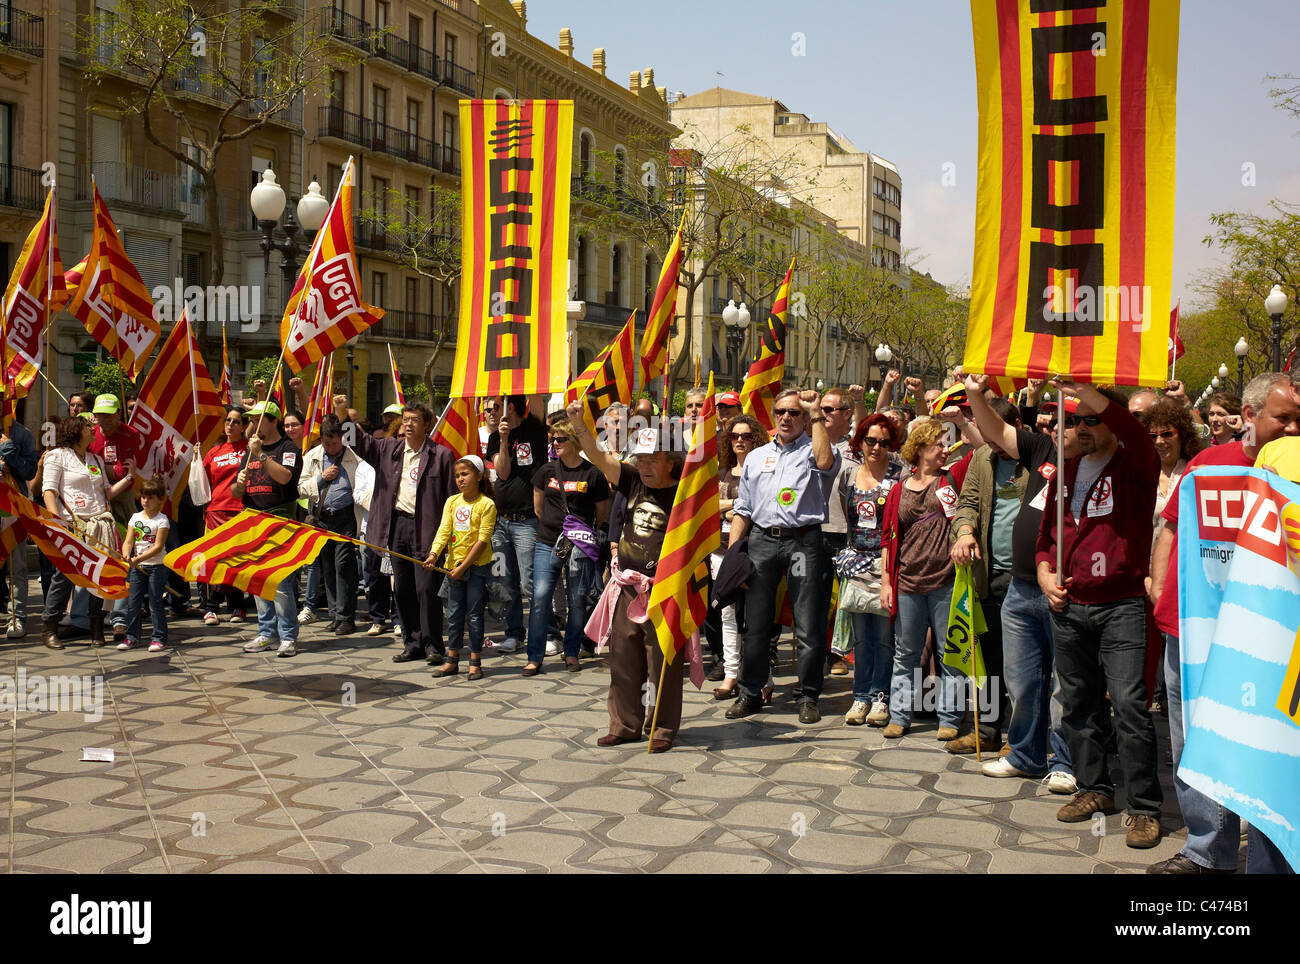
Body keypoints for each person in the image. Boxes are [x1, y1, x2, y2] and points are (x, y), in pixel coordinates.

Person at [1147, 372, 1300, 874]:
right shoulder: (1208, 466)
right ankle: (1207, 850)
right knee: (1194, 739)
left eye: (1299, 419)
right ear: (1251, 417)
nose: (1294, 428)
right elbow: (1171, 528)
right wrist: (1159, 588)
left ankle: (1268, 857)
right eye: (1284, 418)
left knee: (1268, 747)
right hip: (1194, 630)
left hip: (1268, 638)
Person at [1035, 381, 1163, 849]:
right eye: (1075, 420)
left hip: (1122, 604)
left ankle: (1145, 808)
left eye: (1090, 418)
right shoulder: (1064, 472)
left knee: (1129, 705)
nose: (1080, 428)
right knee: (1078, 701)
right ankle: (1095, 789)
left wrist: (1085, 388)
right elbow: (1047, 536)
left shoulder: (1135, 464)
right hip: (1069, 606)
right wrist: (1046, 573)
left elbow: (1133, 428)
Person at [961, 378, 1078, 792]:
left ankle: (1065, 761)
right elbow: (997, 432)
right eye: (1056, 419)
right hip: (1020, 589)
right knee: (1023, 681)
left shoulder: (1101, 463)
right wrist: (975, 393)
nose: (1059, 428)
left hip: (1065, 593)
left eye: (1073, 421)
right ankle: (1026, 753)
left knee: (1065, 685)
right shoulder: (1042, 450)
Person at [569, 407, 683, 752]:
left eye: (652, 460)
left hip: (665, 589)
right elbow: (599, 456)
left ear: (670, 463)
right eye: (641, 460)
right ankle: (624, 724)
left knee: (661, 661)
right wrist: (579, 425)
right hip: (626, 586)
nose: (645, 467)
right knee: (622, 659)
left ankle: (661, 726)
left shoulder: (684, 494)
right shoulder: (632, 480)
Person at [727, 388, 840, 725]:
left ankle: (807, 695)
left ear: (804, 418)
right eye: (781, 412)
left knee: (807, 623)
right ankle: (750, 692)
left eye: (794, 413)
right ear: (773, 416)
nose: (787, 418)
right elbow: (743, 509)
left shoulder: (814, 447)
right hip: (761, 539)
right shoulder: (757, 456)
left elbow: (824, 463)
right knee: (756, 623)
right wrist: (735, 553)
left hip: (803, 541)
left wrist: (816, 412)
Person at [335, 394, 453, 665]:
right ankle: (412, 643)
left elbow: (450, 498)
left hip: (427, 528)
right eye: (406, 420)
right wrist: (342, 415)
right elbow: (358, 442)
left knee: (427, 589)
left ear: (427, 425)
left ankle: (433, 644)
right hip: (396, 525)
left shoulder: (441, 455)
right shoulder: (389, 449)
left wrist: (449, 538)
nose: (409, 425)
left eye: (415, 420)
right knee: (402, 588)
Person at [878, 418, 965, 739]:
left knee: (949, 654)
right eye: (938, 444)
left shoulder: (950, 480)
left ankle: (950, 720)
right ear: (921, 449)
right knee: (906, 652)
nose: (944, 449)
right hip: (908, 584)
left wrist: (962, 417)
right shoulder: (899, 489)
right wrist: (887, 583)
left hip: (945, 582)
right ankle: (899, 716)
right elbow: (888, 538)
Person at [40, 416, 136, 649]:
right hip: (72, 525)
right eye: (87, 427)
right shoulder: (57, 456)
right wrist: (57, 522)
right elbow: (48, 491)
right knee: (63, 577)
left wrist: (129, 478)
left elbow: (107, 493)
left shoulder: (95, 459)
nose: (93, 430)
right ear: (75, 431)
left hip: (99, 525)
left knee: (97, 576)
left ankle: (96, 628)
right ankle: (50, 627)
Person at [527, 417, 610, 675]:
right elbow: (538, 508)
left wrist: (582, 535)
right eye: (553, 439)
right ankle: (534, 655)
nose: (555, 443)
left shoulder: (592, 473)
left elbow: (602, 514)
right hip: (547, 541)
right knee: (540, 597)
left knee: (577, 601)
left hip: (579, 547)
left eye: (560, 439)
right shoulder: (547, 470)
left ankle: (572, 652)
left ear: (574, 442)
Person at [840, 413, 903, 726]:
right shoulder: (849, 475)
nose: (876, 447)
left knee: (883, 637)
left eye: (884, 442)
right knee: (861, 638)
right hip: (857, 562)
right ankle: (860, 695)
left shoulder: (899, 475)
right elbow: (846, 513)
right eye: (871, 441)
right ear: (860, 440)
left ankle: (881, 697)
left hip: (886, 564)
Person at [231, 401, 303, 657]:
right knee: (257, 580)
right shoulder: (248, 452)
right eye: (250, 419)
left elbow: (285, 477)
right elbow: (235, 491)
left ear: (273, 421)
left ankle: (287, 635)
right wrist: (239, 484)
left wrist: (261, 454)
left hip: (279, 520)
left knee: (280, 583)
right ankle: (266, 632)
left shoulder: (288, 448)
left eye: (257, 419)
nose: (252, 424)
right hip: (253, 520)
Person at [711, 413, 771, 701]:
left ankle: (763, 677)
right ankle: (731, 673)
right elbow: (708, 504)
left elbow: (765, 505)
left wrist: (739, 509)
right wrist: (737, 504)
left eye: (746, 436)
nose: (739, 441)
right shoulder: (722, 471)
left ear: (756, 438)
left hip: (756, 550)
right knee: (727, 614)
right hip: (721, 550)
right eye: (734, 436)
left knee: (755, 616)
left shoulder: (764, 469)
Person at [424, 455, 497, 680]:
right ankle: (452, 659)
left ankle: (475, 661)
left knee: (474, 615)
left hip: (475, 568)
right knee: (454, 614)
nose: (460, 479)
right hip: (452, 567)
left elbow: (482, 540)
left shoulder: (487, 504)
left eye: (464, 474)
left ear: (478, 475)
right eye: (457, 476)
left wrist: (464, 566)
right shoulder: (452, 502)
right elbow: (444, 530)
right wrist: (434, 554)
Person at [300, 414, 373, 636]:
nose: (331, 447)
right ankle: (334, 614)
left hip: (346, 518)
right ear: (321, 439)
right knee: (328, 567)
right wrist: (322, 478)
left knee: (344, 566)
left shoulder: (353, 457)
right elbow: (301, 487)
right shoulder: (312, 456)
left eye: (334, 442)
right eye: (326, 442)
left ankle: (346, 617)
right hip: (322, 518)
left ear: (341, 438)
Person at [486, 395, 548, 654]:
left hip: (527, 522)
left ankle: (544, 633)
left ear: (509, 406)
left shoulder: (534, 428)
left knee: (530, 583)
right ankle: (513, 634)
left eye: (494, 406)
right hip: (501, 521)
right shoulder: (493, 438)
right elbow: (502, 473)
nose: (489, 412)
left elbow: (538, 400)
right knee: (506, 581)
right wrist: (502, 440)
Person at [821, 386, 861, 677]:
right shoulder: (809, 443)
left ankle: (842, 653)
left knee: (847, 601)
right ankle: (823, 654)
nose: (822, 414)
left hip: (849, 534)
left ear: (846, 414)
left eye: (829, 409)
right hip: (814, 531)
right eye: (821, 409)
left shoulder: (860, 446)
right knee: (818, 600)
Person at [202, 408, 251, 625]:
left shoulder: (249, 449)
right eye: (228, 420)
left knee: (235, 559)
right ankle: (226, 606)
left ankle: (229, 606)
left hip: (240, 509)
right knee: (216, 560)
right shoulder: (213, 452)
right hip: (215, 510)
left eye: (236, 421)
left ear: (243, 426)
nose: (230, 424)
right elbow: (201, 481)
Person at [117, 476, 170, 653]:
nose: (146, 501)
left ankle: (159, 638)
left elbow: (158, 546)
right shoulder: (135, 517)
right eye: (143, 497)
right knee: (133, 602)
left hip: (157, 566)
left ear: (159, 499)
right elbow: (128, 540)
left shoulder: (162, 520)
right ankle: (131, 637)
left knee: (155, 603)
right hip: (137, 568)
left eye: (151, 497)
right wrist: (126, 553)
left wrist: (138, 559)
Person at [0, 389, 37, 637]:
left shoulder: (22, 433)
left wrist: (9, 452)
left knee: (18, 566)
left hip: (12, 509)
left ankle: (17, 616)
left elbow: (29, 472)